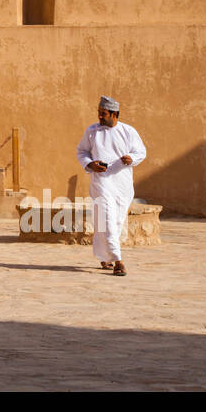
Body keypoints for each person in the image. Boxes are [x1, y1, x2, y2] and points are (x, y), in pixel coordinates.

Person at [75, 95, 147, 276]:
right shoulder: (92, 131)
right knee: (107, 218)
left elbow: (141, 152)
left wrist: (132, 159)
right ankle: (118, 261)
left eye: (103, 113)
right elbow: (81, 151)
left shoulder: (128, 132)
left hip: (122, 185)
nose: (99, 116)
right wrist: (89, 164)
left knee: (112, 222)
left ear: (115, 115)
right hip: (101, 182)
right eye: (99, 113)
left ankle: (104, 256)